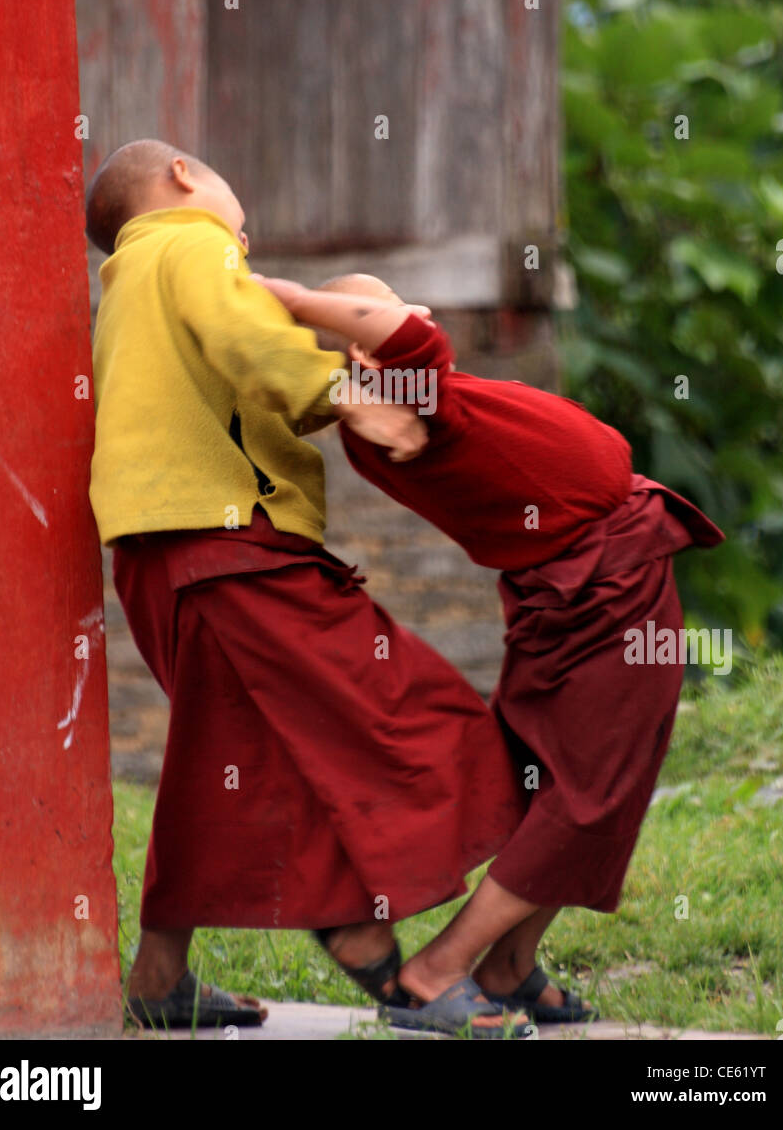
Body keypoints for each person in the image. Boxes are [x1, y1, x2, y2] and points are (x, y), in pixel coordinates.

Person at [86, 142, 526, 1036]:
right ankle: (396, 951)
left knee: (229, 751)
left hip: (165, 556)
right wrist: (347, 392)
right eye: (238, 218)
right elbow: (244, 336)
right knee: (401, 698)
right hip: (229, 544)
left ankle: (164, 976)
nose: (245, 242)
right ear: (181, 174)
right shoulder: (192, 245)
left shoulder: (126, 286)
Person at [253, 270, 725, 1034]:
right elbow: (412, 340)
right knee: (589, 793)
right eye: (383, 306)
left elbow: (409, 339)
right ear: (362, 350)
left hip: (599, 574)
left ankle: (509, 963)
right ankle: (438, 968)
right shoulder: (403, 403)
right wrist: (293, 299)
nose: (416, 311)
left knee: (576, 785)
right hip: (599, 588)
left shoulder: (404, 403)